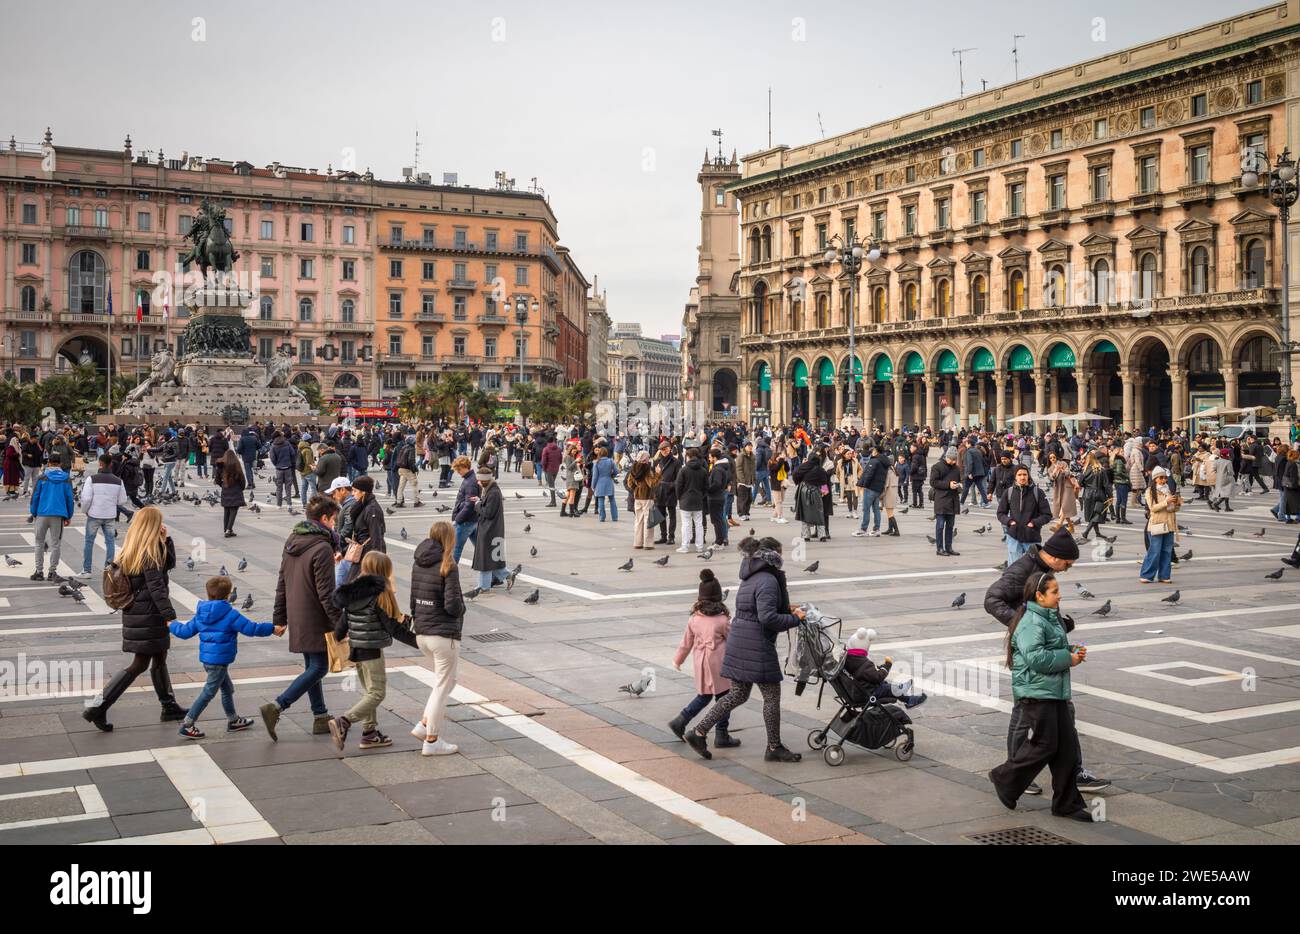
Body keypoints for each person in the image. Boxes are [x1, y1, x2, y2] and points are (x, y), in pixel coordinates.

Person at [984, 526, 1110, 794]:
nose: (1068, 568)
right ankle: (1013, 774)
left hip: (1045, 653)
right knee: (1023, 718)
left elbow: (1041, 610)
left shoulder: (1043, 570)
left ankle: (1074, 772)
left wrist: (1059, 625)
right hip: (1031, 658)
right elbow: (992, 599)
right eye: (1068, 563)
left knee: (1065, 714)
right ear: (1055, 557)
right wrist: (1022, 625)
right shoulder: (1023, 569)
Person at [685, 537, 805, 762]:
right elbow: (767, 617)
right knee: (771, 697)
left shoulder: (751, 577)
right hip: (756, 644)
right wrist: (794, 619)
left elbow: (756, 608)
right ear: (773, 556)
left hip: (741, 640)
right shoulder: (768, 580)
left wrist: (788, 609)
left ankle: (698, 731)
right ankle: (773, 747)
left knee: (737, 694)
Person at [988, 571, 1092, 821]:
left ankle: (1066, 803)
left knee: (1065, 748)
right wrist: (1068, 658)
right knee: (1045, 745)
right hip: (1036, 692)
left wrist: (1069, 650)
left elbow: (1048, 649)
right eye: (1054, 592)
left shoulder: (1049, 616)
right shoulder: (1031, 622)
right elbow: (1036, 658)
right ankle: (1005, 777)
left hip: (1052, 690)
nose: (1059, 596)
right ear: (1039, 595)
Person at [81, 506, 186, 731]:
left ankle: (169, 706)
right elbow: (157, 587)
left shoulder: (134, 548)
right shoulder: (150, 552)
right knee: (139, 664)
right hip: (150, 614)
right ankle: (96, 707)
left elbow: (168, 565)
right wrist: (170, 616)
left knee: (159, 658)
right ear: (152, 525)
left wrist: (165, 540)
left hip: (139, 613)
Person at [262, 495, 345, 741]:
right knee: (319, 667)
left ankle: (320, 716)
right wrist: (341, 623)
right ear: (324, 519)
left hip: (299, 613)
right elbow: (327, 593)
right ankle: (277, 706)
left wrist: (280, 617)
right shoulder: (321, 547)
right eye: (333, 521)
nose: (335, 525)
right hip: (316, 617)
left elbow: (282, 581)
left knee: (312, 666)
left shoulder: (293, 540)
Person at [169, 576, 283, 738]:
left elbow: (185, 632)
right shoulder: (230, 614)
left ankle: (233, 720)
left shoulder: (201, 613)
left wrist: (172, 625)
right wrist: (272, 628)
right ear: (228, 595)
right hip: (220, 661)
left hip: (208, 660)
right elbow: (252, 629)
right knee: (208, 692)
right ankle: (188, 723)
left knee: (227, 689)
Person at [327, 551, 418, 750]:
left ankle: (369, 733)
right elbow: (393, 628)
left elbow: (340, 629)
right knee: (377, 693)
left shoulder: (352, 593)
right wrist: (420, 643)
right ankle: (344, 721)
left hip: (357, 650)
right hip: (372, 651)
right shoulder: (380, 594)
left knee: (369, 692)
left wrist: (342, 635)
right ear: (383, 570)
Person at [409, 521, 464, 755]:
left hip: (422, 633)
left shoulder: (418, 561)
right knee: (442, 686)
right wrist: (462, 608)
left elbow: (413, 600)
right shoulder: (447, 563)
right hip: (443, 634)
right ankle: (431, 740)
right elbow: (452, 605)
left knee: (448, 681)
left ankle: (423, 725)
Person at [668, 569, 739, 748]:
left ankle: (680, 721)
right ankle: (722, 735)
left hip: (701, 663)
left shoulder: (694, 619)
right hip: (719, 663)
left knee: (704, 696)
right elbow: (733, 643)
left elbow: (686, 643)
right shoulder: (722, 620)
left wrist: (678, 660)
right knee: (725, 697)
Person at [843, 627, 926, 707]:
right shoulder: (863, 663)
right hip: (867, 693)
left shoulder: (849, 659)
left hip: (857, 692)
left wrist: (880, 668)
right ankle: (903, 693)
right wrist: (887, 666)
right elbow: (878, 677)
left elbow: (868, 673)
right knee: (888, 689)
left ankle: (908, 698)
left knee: (886, 686)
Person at [78, 454, 128, 578]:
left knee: (89, 541)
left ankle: (87, 570)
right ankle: (108, 568)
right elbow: (122, 501)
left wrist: (85, 511)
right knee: (110, 542)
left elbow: (86, 498)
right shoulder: (118, 481)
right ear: (111, 464)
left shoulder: (92, 479)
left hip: (94, 514)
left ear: (100, 463)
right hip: (110, 515)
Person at [29, 451, 75, 582]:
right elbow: (69, 499)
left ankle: (39, 571)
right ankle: (52, 572)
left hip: (42, 513)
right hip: (58, 515)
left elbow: (35, 496)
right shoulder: (66, 478)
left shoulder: (42, 477)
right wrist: (68, 515)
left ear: (48, 462)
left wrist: (33, 512)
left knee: (39, 543)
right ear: (60, 463)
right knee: (55, 544)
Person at [997, 464, 1052, 564]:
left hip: (1032, 537)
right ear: (1015, 476)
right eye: (1019, 474)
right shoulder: (1008, 492)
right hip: (1014, 537)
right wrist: (1009, 521)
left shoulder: (1038, 493)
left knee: (1033, 570)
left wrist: (1034, 523)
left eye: (1025, 474)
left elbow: (1047, 515)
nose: (1022, 477)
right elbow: (1000, 513)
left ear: (1028, 475)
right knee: (1014, 570)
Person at [471, 465, 509, 590]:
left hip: (490, 530)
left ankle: (483, 586)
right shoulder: (490, 490)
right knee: (492, 559)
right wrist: (480, 500)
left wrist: (477, 504)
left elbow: (488, 512)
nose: (477, 482)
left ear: (483, 481)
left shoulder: (493, 493)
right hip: (491, 529)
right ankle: (507, 576)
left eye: (479, 480)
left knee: (485, 560)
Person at [1141, 466, 1181, 584]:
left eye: (1165, 478)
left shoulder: (1168, 490)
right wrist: (1166, 502)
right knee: (1155, 551)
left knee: (1167, 551)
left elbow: (1171, 509)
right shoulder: (1150, 491)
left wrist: (1176, 504)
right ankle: (1147, 575)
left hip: (1169, 524)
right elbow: (1153, 508)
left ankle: (1164, 575)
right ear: (1155, 479)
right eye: (1161, 478)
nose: (1163, 480)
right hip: (1157, 524)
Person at [675, 446, 708, 553]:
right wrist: (701, 495)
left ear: (688, 457)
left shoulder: (683, 470)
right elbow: (706, 487)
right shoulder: (703, 470)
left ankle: (685, 546)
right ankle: (700, 546)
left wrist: (679, 497)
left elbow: (678, 486)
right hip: (698, 499)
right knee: (699, 524)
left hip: (685, 500)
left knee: (686, 524)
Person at [792, 446, 829, 542]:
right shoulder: (821, 470)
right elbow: (824, 482)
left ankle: (806, 535)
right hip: (816, 492)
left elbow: (795, 475)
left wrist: (800, 481)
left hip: (803, 491)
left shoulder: (804, 467)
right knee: (819, 513)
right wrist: (824, 492)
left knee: (805, 513)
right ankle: (822, 535)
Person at [930, 446, 961, 557]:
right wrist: (948, 485)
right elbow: (933, 482)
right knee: (940, 526)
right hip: (941, 500)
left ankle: (949, 547)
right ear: (946, 457)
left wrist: (959, 486)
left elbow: (959, 481)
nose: (953, 462)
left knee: (950, 526)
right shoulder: (937, 467)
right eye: (951, 459)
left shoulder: (956, 468)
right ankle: (940, 548)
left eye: (954, 460)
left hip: (953, 500)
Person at [627, 450, 660, 549]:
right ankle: (648, 544)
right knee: (648, 520)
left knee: (638, 520)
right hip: (647, 497)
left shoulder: (633, 468)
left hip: (637, 497)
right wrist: (658, 474)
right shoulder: (647, 469)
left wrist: (637, 488)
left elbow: (629, 483)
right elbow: (652, 483)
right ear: (646, 459)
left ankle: (637, 543)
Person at [347, 474, 386, 556]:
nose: (352, 494)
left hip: (368, 555)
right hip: (361, 551)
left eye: (355, 491)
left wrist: (375, 561)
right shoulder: (361, 506)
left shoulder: (372, 509)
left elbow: (377, 537)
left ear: (363, 492)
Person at [653, 441, 679, 545]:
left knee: (672, 514)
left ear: (670, 448)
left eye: (666, 449)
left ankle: (671, 537)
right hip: (660, 491)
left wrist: (671, 485)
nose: (664, 451)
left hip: (671, 492)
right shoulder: (657, 462)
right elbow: (653, 478)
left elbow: (679, 478)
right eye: (662, 449)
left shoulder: (676, 462)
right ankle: (663, 536)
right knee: (661, 514)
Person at [215, 449, 246, 538]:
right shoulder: (237, 465)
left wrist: (223, 485)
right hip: (236, 490)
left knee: (227, 510)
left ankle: (227, 529)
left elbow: (217, 480)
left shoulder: (221, 465)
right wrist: (241, 488)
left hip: (226, 489)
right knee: (233, 511)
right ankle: (228, 530)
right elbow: (242, 479)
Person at [591, 446, 619, 522]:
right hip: (609, 481)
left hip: (600, 483)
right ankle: (615, 517)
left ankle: (602, 517)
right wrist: (611, 475)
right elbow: (617, 471)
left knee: (601, 500)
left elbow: (595, 476)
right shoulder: (610, 461)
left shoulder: (596, 463)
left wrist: (593, 485)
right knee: (612, 500)